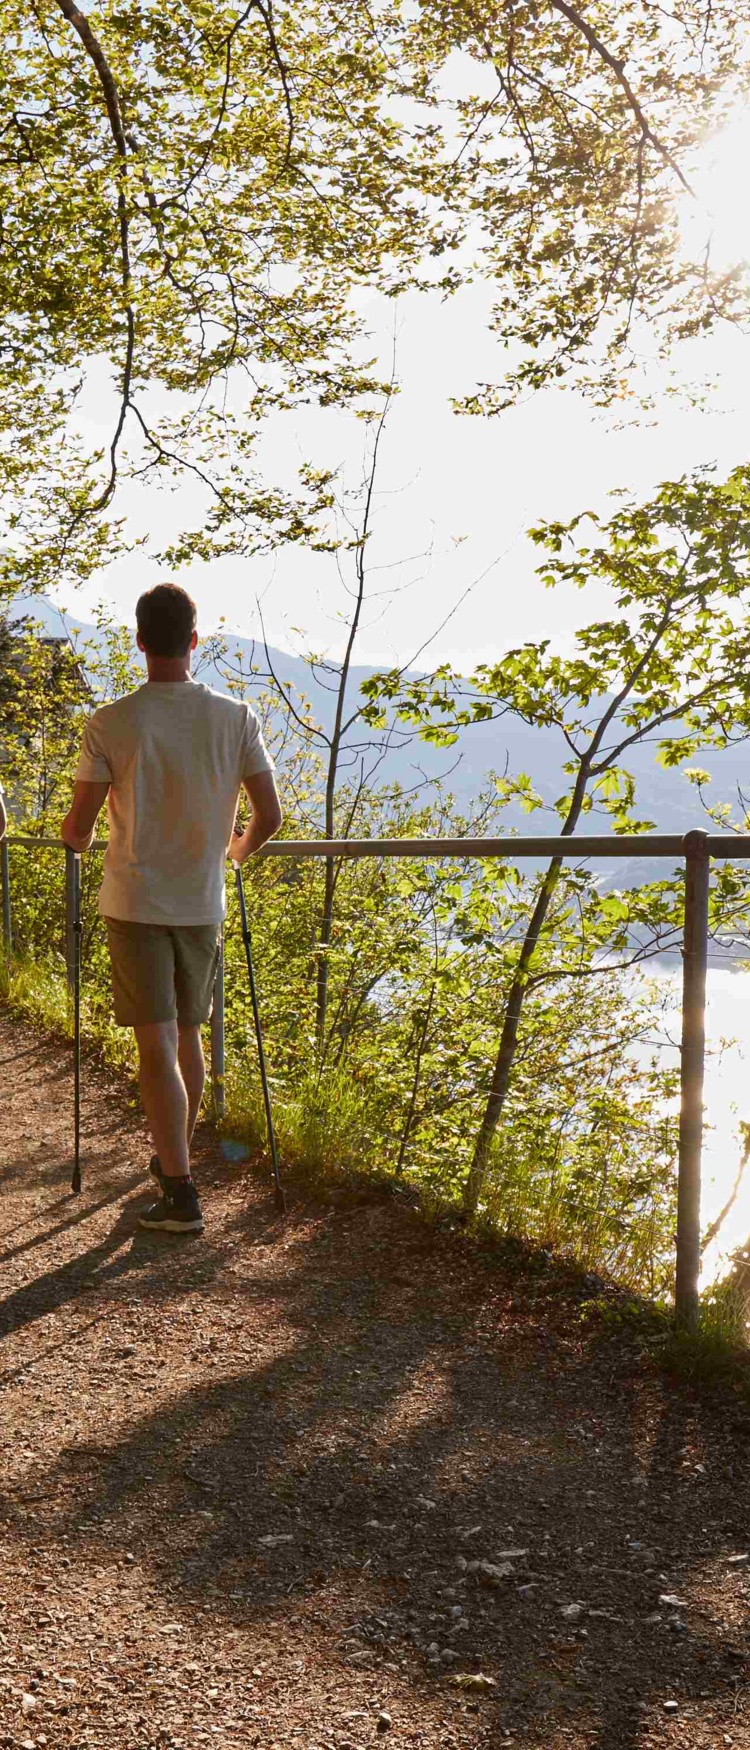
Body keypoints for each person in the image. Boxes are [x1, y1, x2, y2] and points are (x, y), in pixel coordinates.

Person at [61, 583, 282, 1234]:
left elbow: (79, 828)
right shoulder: (236, 717)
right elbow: (269, 816)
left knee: (155, 1042)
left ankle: (180, 1191)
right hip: (201, 902)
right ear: (194, 640)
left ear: (139, 641)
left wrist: (76, 840)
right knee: (188, 1037)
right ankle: (171, 1162)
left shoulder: (111, 722)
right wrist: (233, 853)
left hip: (134, 902)